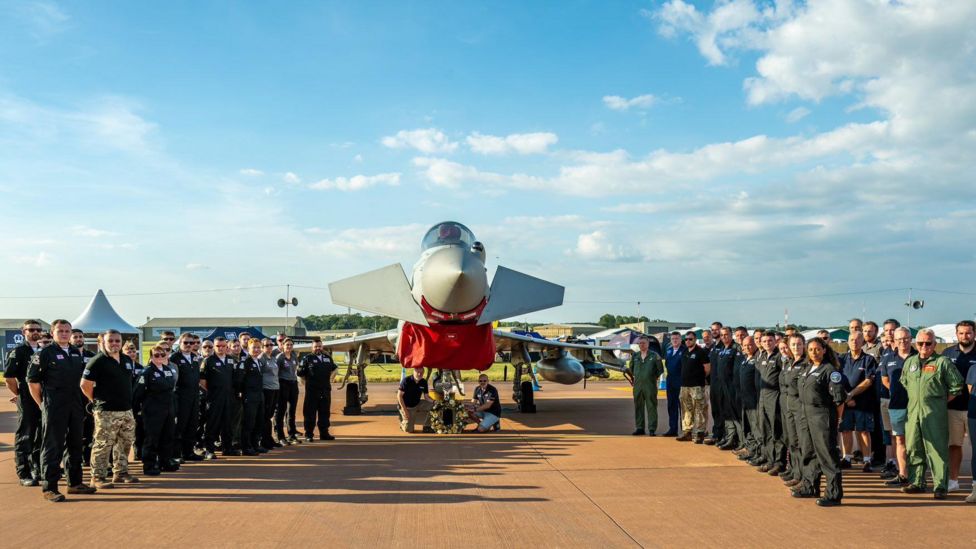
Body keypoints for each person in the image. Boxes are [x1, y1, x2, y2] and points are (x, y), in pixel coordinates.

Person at [27, 319, 96, 502]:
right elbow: (33, 383)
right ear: (52, 332)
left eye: (67, 330)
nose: (64, 333)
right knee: (52, 446)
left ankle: (75, 483)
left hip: (74, 405)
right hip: (54, 406)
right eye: (61, 330)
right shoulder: (44, 354)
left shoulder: (75, 352)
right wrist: (42, 404)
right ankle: (49, 487)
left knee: (75, 444)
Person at [900, 328, 964, 499]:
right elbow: (905, 382)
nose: (924, 346)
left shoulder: (942, 362)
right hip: (913, 412)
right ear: (916, 344)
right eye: (920, 343)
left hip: (935, 413)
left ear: (934, 344)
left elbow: (957, 386)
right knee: (914, 447)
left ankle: (940, 486)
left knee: (937, 449)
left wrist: (940, 401)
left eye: (928, 343)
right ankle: (917, 482)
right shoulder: (910, 362)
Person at [80, 329, 139, 488]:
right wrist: (96, 401)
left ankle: (120, 473)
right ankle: (97, 477)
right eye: (110, 341)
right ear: (103, 343)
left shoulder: (127, 359)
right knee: (103, 444)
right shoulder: (97, 361)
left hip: (126, 409)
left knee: (125, 442)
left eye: (117, 341)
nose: (114, 344)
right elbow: (84, 385)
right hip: (106, 411)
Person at [793, 337, 847, 507]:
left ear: (824, 350)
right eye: (810, 350)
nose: (814, 353)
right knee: (808, 452)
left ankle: (833, 494)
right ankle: (810, 486)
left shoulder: (830, 371)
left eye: (817, 349)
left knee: (827, 455)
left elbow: (839, 400)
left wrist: (838, 420)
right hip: (806, 414)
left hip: (822, 415)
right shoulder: (807, 368)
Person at [4, 320, 44, 486]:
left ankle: (37, 468)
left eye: (38, 329)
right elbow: (9, 378)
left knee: (40, 435)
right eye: (31, 329)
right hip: (27, 398)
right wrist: (20, 395)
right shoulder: (18, 351)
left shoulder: (45, 350)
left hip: (44, 397)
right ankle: (24, 472)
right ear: (23, 332)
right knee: (25, 435)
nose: (35, 332)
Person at [941, 320, 975, 493]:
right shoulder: (947, 353)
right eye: (961, 333)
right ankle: (953, 480)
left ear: (974, 334)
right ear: (956, 334)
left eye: (968, 333)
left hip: (974, 409)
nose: (965, 336)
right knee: (954, 445)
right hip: (953, 408)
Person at [880, 327, 915, 487]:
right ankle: (903, 474)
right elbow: (885, 380)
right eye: (899, 339)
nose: (903, 342)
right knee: (899, 439)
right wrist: (897, 391)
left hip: (916, 407)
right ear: (894, 340)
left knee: (916, 442)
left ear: (911, 339)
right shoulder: (888, 358)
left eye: (906, 338)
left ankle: (917, 476)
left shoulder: (919, 355)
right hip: (896, 406)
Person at [134, 345, 178, 476]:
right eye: (156, 355)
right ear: (151, 357)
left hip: (168, 409)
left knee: (167, 436)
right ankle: (149, 465)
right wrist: (137, 411)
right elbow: (137, 393)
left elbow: (171, 391)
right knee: (152, 439)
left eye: (162, 355)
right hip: (153, 410)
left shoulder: (168, 370)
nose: (159, 357)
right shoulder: (147, 372)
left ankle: (165, 462)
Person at [839, 332, 878, 472]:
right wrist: (846, 397)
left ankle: (867, 460)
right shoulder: (841, 359)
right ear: (847, 342)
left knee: (863, 431)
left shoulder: (868, 360)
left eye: (857, 340)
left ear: (862, 342)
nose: (854, 342)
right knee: (846, 431)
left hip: (863, 403)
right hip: (846, 403)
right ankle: (846, 458)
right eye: (851, 339)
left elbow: (869, 381)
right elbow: (836, 379)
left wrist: (851, 395)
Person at [200, 337, 237, 459]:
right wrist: (211, 393)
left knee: (228, 424)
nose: (220, 348)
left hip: (228, 398)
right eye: (218, 346)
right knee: (212, 425)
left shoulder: (231, 360)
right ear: (214, 347)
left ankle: (227, 448)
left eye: (223, 346)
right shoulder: (208, 361)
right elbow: (202, 382)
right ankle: (209, 450)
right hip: (214, 398)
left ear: (226, 346)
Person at [756, 332, 786, 475]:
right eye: (764, 341)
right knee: (765, 430)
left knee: (777, 431)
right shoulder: (761, 356)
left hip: (775, 397)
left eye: (770, 340)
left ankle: (779, 462)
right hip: (762, 396)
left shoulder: (779, 357)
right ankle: (769, 459)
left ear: (775, 341)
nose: (767, 343)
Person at [297, 339, 337, 441]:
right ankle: (309, 434)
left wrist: (331, 379)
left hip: (325, 390)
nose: (318, 348)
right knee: (310, 413)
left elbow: (335, 369)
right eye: (315, 346)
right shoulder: (307, 358)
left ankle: (324, 433)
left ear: (322, 347)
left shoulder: (327, 358)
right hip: (312, 391)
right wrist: (305, 384)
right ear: (312, 348)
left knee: (325, 413)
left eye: (319, 346)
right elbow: (300, 374)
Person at [171, 334, 203, 462]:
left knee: (192, 424)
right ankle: (176, 454)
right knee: (180, 425)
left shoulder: (195, 358)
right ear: (180, 343)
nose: (189, 345)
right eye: (186, 343)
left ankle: (188, 452)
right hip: (181, 396)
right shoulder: (174, 358)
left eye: (192, 343)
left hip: (194, 396)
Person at [781, 334, 806, 489]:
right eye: (793, 344)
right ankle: (796, 473)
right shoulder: (789, 362)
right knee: (793, 442)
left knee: (803, 443)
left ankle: (804, 477)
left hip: (801, 407)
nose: (796, 347)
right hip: (789, 406)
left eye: (799, 344)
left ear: (804, 345)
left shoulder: (806, 363)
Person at [235, 339, 267, 455]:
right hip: (249, 396)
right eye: (254, 347)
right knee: (249, 422)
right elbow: (239, 380)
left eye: (259, 347)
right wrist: (242, 392)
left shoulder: (258, 361)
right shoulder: (245, 362)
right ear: (248, 349)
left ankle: (255, 444)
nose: (257, 350)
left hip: (259, 395)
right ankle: (246, 447)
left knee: (259, 422)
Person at [677, 331, 710, 443]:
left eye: (690, 339)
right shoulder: (684, 352)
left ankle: (700, 433)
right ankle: (687, 432)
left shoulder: (701, 352)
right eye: (686, 339)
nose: (688, 341)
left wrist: (699, 379)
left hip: (696, 386)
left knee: (699, 410)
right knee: (686, 409)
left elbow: (707, 369)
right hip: (684, 386)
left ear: (695, 340)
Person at [628, 336, 664, 436]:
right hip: (638, 385)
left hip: (650, 385)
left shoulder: (654, 355)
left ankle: (652, 428)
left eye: (643, 343)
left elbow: (660, 369)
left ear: (648, 344)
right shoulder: (635, 356)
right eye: (640, 343)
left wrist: (652, 377)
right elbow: (631, 369)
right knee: (638, 406)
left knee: (651, 406)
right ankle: (640, 427)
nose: (641, 345)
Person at [70, 329, 96, 466]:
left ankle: (88, 458)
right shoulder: (68, 354)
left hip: (87, 397)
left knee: (89, 428)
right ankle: (75, 458)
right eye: (75, 337)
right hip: (72, 398)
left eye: (80, 337)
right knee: (74, 430)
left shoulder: (91, 355)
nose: (78, 339)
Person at [735, 336, 762, 464]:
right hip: (745, 398)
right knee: (748, 425)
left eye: (750, 345)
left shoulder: (757, 359)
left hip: (754, 399)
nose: (747, 347)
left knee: (756, 427)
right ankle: (750, 449)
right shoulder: (746, 359)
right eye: (744, 346)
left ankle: (758, 452)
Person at [713, 327, 740, 449]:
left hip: (731, 386)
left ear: (731, 335)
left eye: (726, 335)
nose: (724, 337)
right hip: (721, 386)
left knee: (733, 414)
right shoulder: (722, 349)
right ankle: (728, 436)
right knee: (725, 413)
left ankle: (736, 439)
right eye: (722, 335)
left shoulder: (735, 349)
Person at [275, 338, 302, 444]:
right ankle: (280, 436)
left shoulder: (294, 356)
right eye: (287, 345)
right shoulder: (280, 358)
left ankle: (291, 434)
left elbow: (295, 369)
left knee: (292, 411)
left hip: (293, 384)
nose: (289, 347)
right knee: (281, 411)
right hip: (283, 384)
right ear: (282, 345)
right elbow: (275, 373)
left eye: (291, 345)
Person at [259, 338, 280, 449]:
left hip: (275, 388)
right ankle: (264, 440)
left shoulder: (273, 358)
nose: (269, 347)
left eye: (271, 345)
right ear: (262, 347)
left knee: (270, 416)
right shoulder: (261, 358)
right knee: (265, 416)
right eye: (267, 345)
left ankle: (269, 438)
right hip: (266, 389)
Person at [397, 366, 433, 433]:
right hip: (406, 406)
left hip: (417, 403)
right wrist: (405, 410)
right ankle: (403, 424)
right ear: (414, 371)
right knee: (409, 430)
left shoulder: (424, 382)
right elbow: (399, 396)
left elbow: (426, 397)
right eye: (418, 372)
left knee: (434, 405)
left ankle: (427, 426)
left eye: (421, 373)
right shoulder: (406, 380)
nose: (419, 374)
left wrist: (434, 401)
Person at [663, 331, 684, 437]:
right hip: (670, 381)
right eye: (673, 339)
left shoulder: (684, 350)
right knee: (671, 405)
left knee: (683, 407)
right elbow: (667, 364)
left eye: (677, 338)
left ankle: (685, 429)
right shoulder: (669, 351)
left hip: (681, 382)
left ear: (680, 339)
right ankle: (673, 428)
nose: (675, 340)